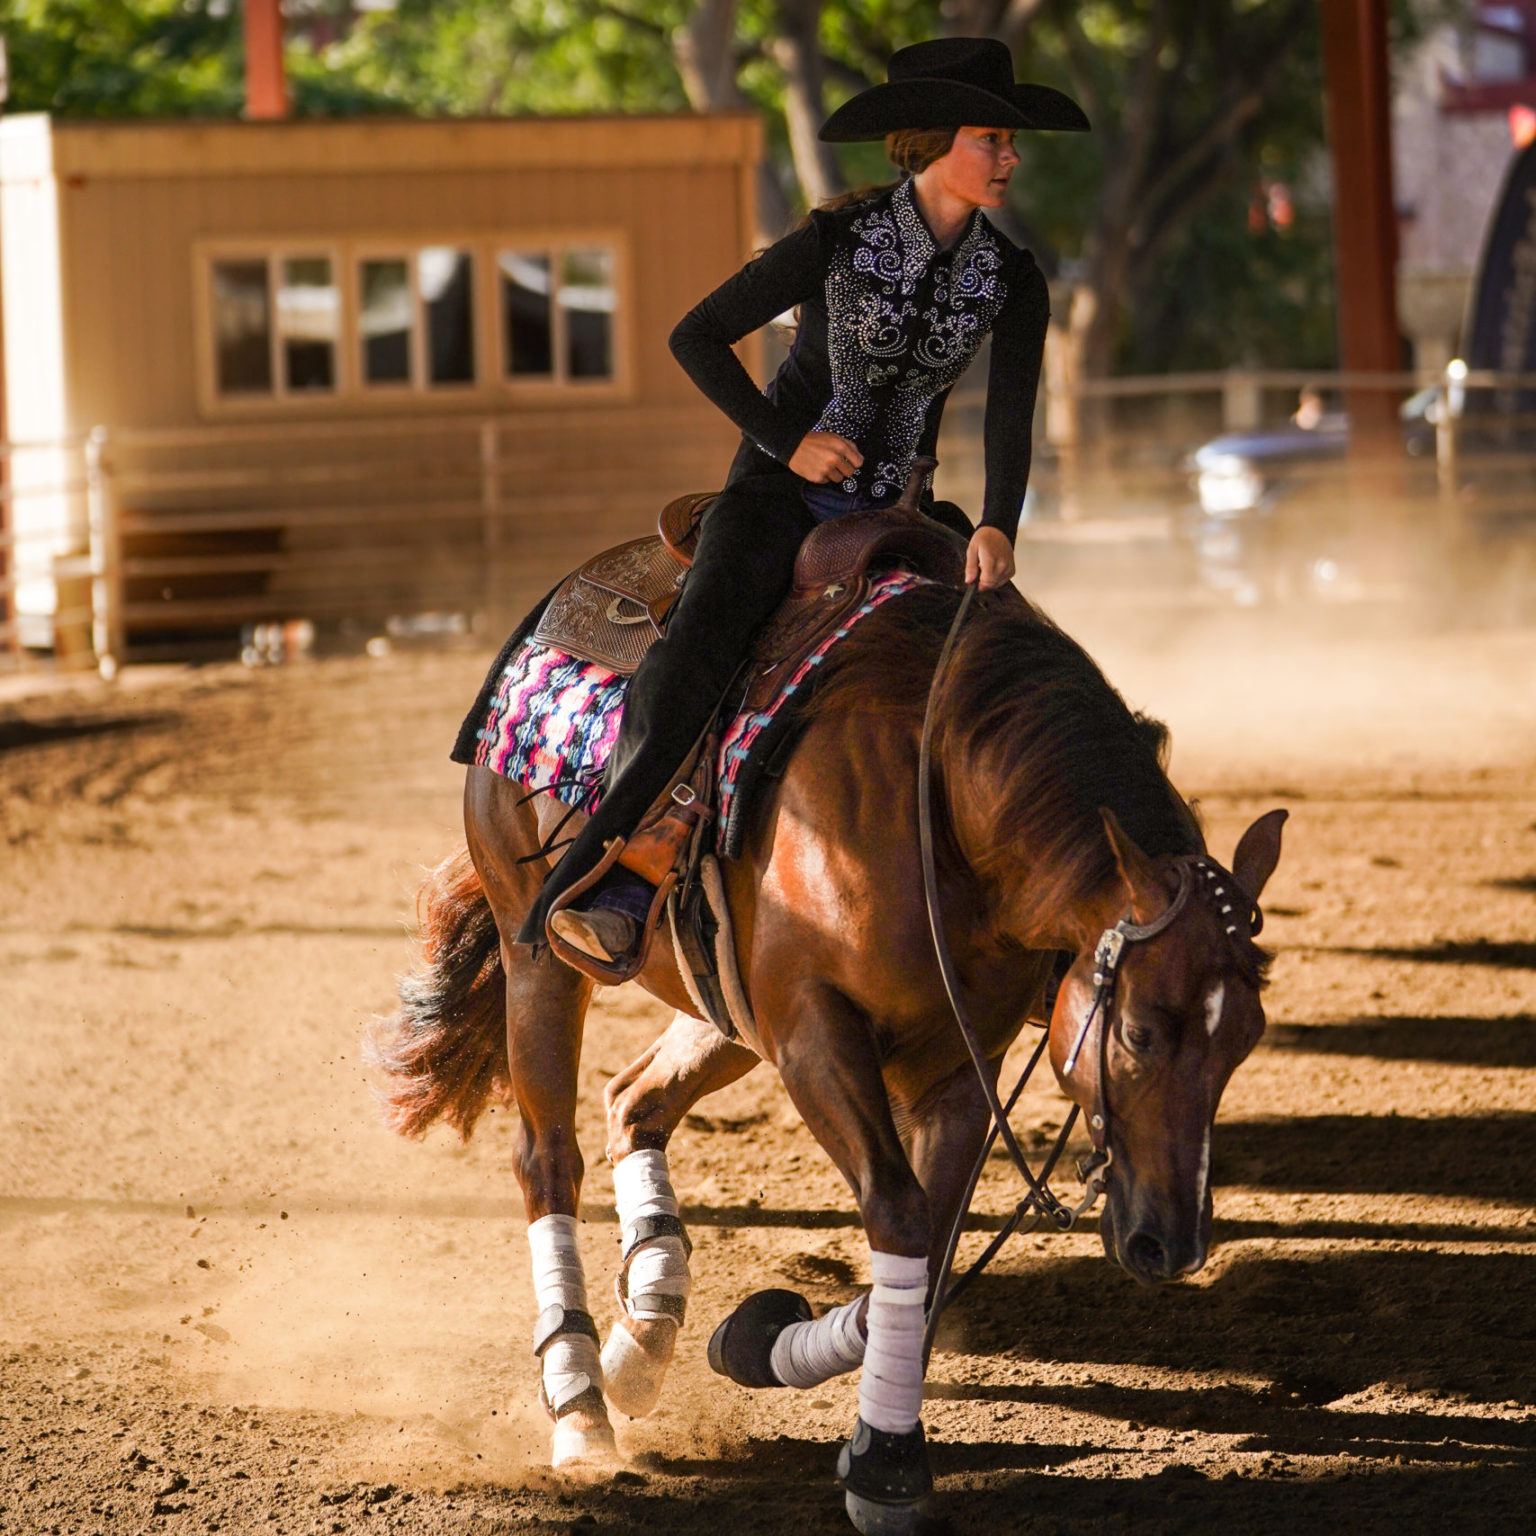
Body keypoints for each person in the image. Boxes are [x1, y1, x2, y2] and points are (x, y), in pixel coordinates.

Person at [527, 37, 1089, 965]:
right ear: (935, 141)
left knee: (1023, 666)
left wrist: (998, 520)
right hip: (776, 497)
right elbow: (696, 336)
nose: (1010, 157)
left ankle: (1049, 910)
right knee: (699, 649)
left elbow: (1011, 414)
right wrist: (786, 440)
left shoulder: (1011, 277)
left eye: (1009, 141)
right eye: (992, 138)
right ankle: (615, 872)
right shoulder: (838, 239)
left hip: (903, 512)